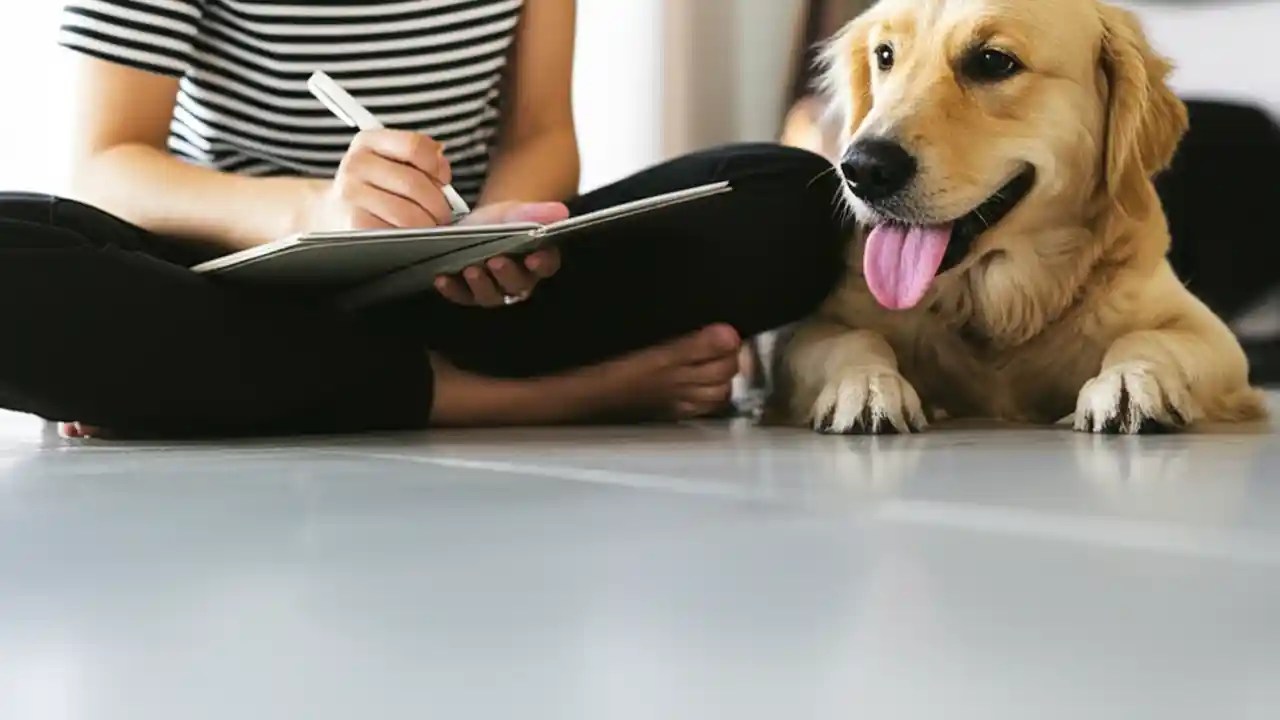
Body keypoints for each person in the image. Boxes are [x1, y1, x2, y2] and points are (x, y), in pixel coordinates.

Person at [0, 0, 848, 439]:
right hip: (222, 281)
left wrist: (499, 233)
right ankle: (525, 402)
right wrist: (316, 211)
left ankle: (220, 390)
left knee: (790, 196)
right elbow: (108, 165)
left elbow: (542, 132)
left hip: (449, 287)